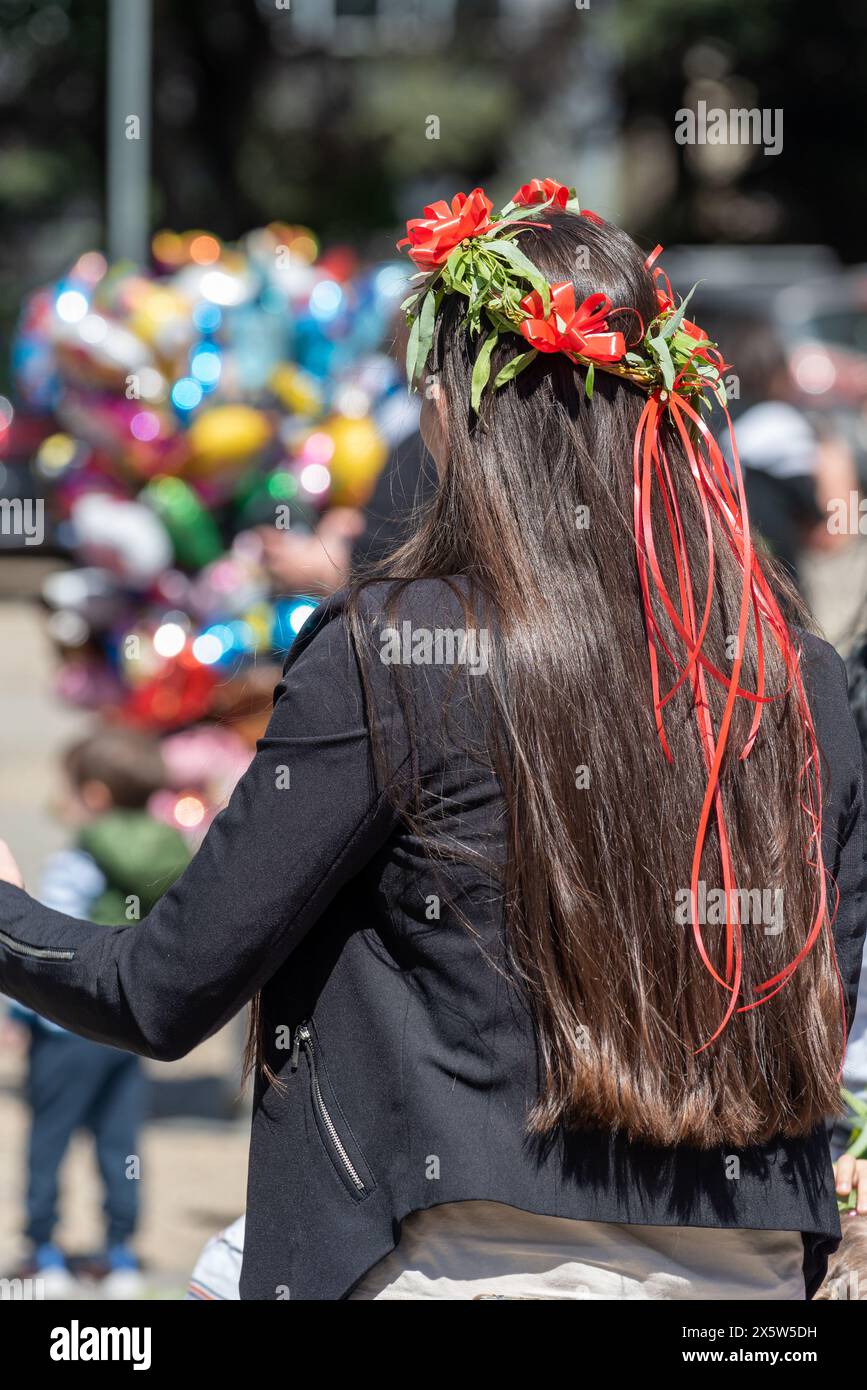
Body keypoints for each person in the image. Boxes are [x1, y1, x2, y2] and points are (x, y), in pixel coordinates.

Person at [0, 186, 864, 1300]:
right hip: (748, 1284)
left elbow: (161, 991)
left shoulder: (397, 650)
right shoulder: (796, 671)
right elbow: (821, 996)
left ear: (459, 411)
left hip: (463, 1262)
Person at [3, 726, 189, 1295]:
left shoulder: (83, 852)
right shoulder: (168, 848)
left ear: (96, 794)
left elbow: (47, 938)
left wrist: (18, 1013)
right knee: (119, 1141)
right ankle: (120, 1253)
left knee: (49, 1138)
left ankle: (43, 1250)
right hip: (121, 1028)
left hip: (63, 1030)